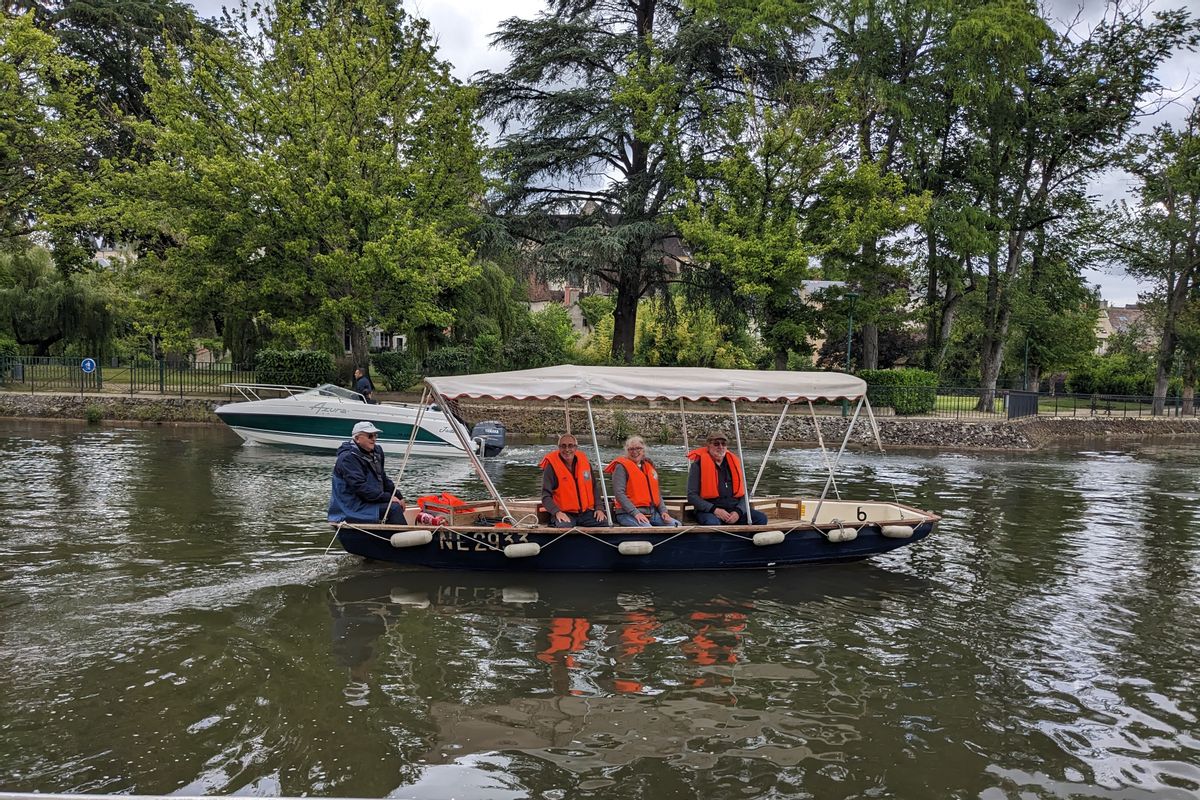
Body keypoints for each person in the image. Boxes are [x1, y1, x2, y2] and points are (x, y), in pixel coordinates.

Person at [328, 421, 407, 524]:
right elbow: (360, 487)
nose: (374, 439)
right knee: (394, 508)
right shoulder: (348, 458)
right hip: (352, 507)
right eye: (370, 436)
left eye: (375, 435)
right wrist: (389, 498)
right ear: (357, 439)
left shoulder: (377, 452)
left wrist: (399, 497)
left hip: (369, 501)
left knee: (397, 504)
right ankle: (406, 537)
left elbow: (383, 478)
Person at [686, 429, 767, 526]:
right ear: (708, 446)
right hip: (710, 511)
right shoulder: (698, 466)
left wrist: (738, 511)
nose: (720, 447)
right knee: (712, 524)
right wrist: (715, 510)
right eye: (716, 444)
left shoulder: (735, 464)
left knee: (761, 518)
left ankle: (745, 540)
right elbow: (692, 496)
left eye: (723, 444)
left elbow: (745, 492)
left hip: (734, 509)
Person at [605, 436, 680, 527]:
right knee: (647, 528)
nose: (635, 452)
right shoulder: (621, 467)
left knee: (676, 525)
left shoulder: (648, 466)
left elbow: (656, 493)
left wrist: (664, 511)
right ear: (627, 451)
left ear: (643, 450)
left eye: (638, 448)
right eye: (631, 449)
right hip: (628, 514)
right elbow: (619, 494)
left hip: (651, 513)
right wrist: (635, 513)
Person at [540, 433, 607, 528]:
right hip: (564, 513)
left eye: (570, 446)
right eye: (563, 446)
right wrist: (557, 512)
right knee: (564, 526)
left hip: (586, 513)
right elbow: (546, 496)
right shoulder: (551, 467)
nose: (567, 449)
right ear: (559, 448)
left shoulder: (584, 463)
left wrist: (599, 508)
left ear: (576, 448)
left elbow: (594, 487)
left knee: (604, 522)